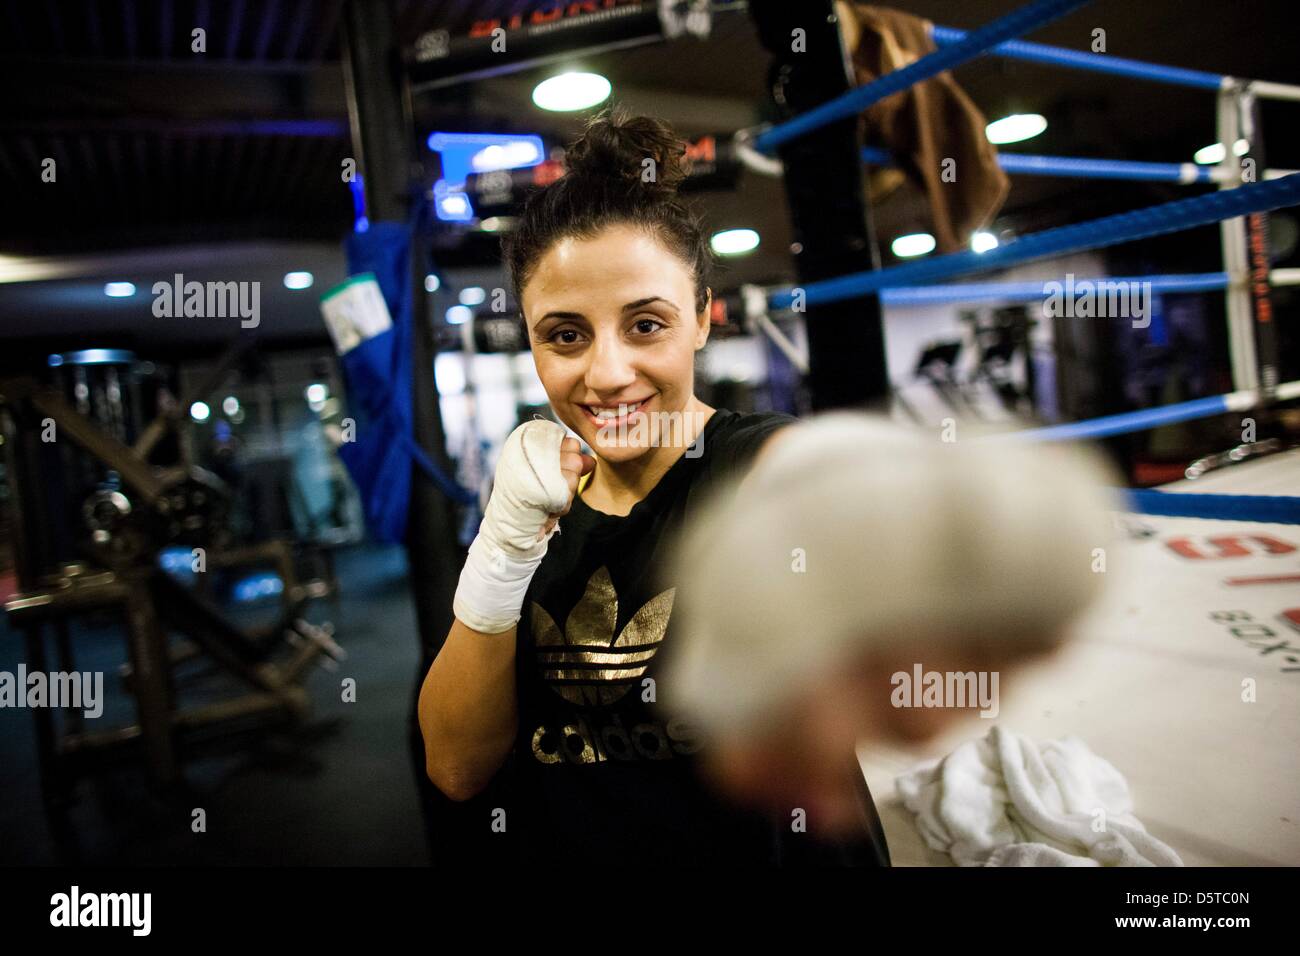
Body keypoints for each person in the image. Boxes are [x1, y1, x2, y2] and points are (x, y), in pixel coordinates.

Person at [417, 107, 889, 865]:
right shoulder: (533, 510)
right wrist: (501, 549)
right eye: (566, 335)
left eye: (645, 325)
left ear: (702, 318)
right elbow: (455, 766)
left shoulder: (760, 466)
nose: (606, 374)